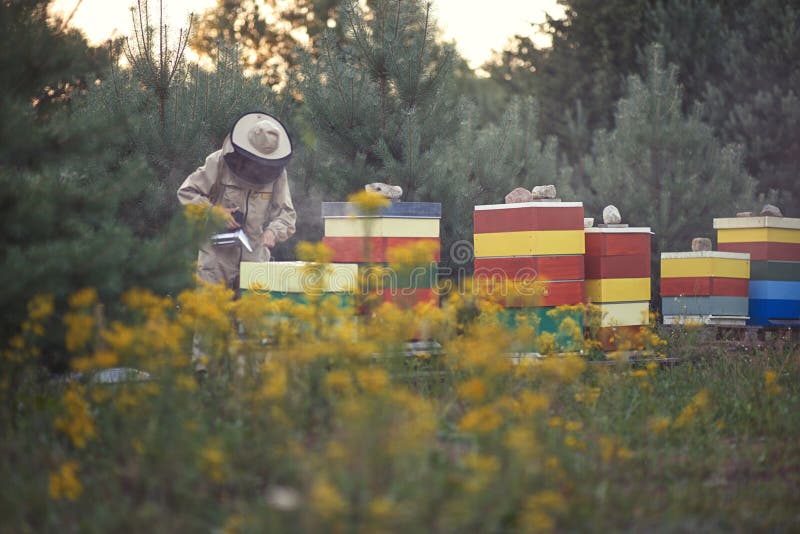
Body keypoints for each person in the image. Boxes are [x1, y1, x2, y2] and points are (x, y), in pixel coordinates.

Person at [178, 111, 297, 369]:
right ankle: (206, 378)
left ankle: (250, 381)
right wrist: (214, 212)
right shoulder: (219, 162)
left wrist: (272, 232)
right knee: (210, 320)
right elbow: (186, 192)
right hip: (216, 255)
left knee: (255, 322)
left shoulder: (277, 173)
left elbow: (287, 214)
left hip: (254, 253)